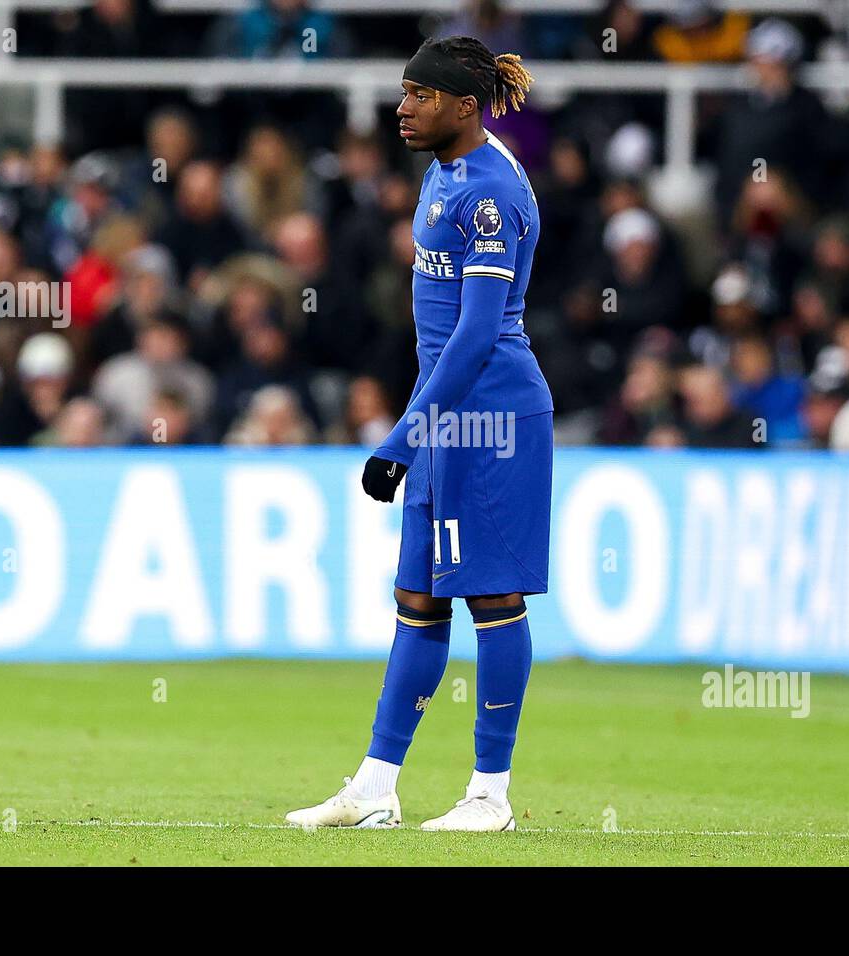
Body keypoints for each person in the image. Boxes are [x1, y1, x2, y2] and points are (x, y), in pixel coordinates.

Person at [286, 36, 551, 833]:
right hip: (444, 414)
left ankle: (490, 796)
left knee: (494, 598)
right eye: (403, 93)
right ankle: (375, 785)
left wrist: (401, 438)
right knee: (419, 597)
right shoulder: (445, 171)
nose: (402, 109)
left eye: (419, 96)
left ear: (463, 107)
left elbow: (474, 339)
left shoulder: (492, 193)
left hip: (493, 418)